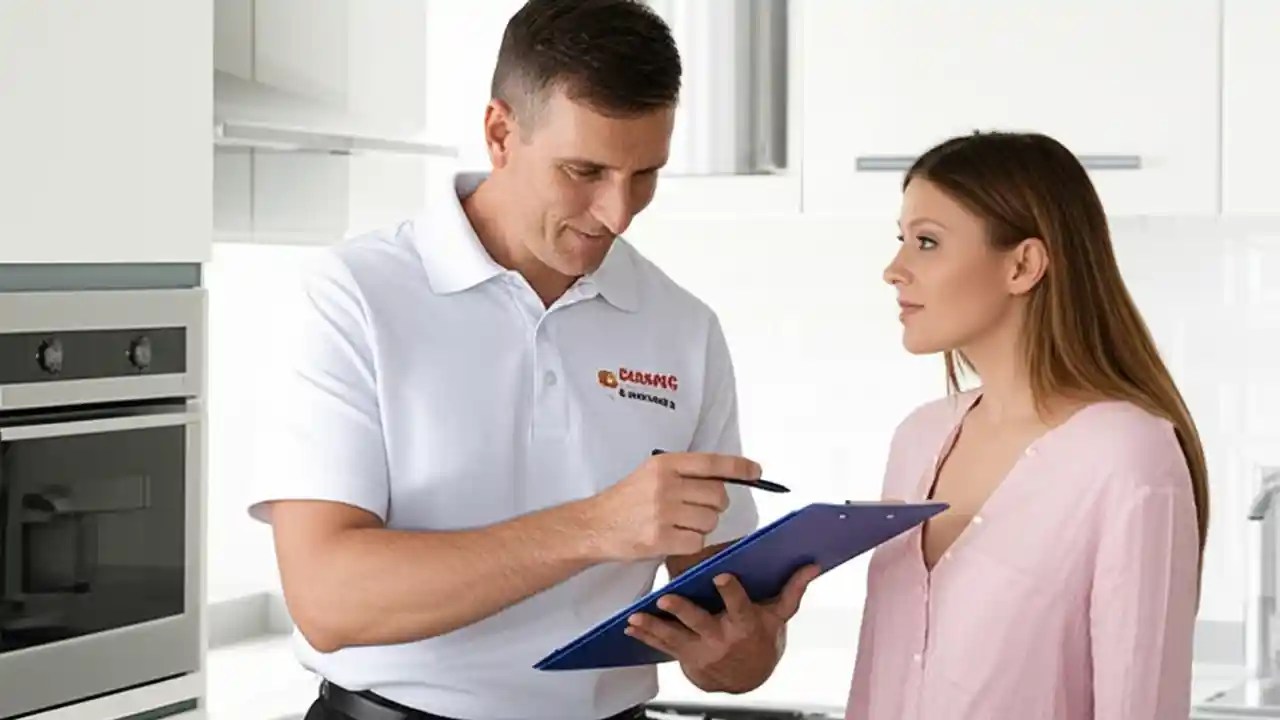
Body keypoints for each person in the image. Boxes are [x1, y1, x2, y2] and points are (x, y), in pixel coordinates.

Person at [246, 2, 818, 719]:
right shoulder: (354, 296)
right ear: (499, 132)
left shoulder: (683, 327)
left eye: (646, 173)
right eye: (585, 170)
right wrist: (595, 526)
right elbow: (329, 601)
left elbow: (729, 645)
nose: (617, 211)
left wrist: (741, 650)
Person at [845, 131, 1208, 719]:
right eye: (902, 240)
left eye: (927, 242)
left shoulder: (1127, 456)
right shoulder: (918, 439)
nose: (894, 270)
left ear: (1023, 264)